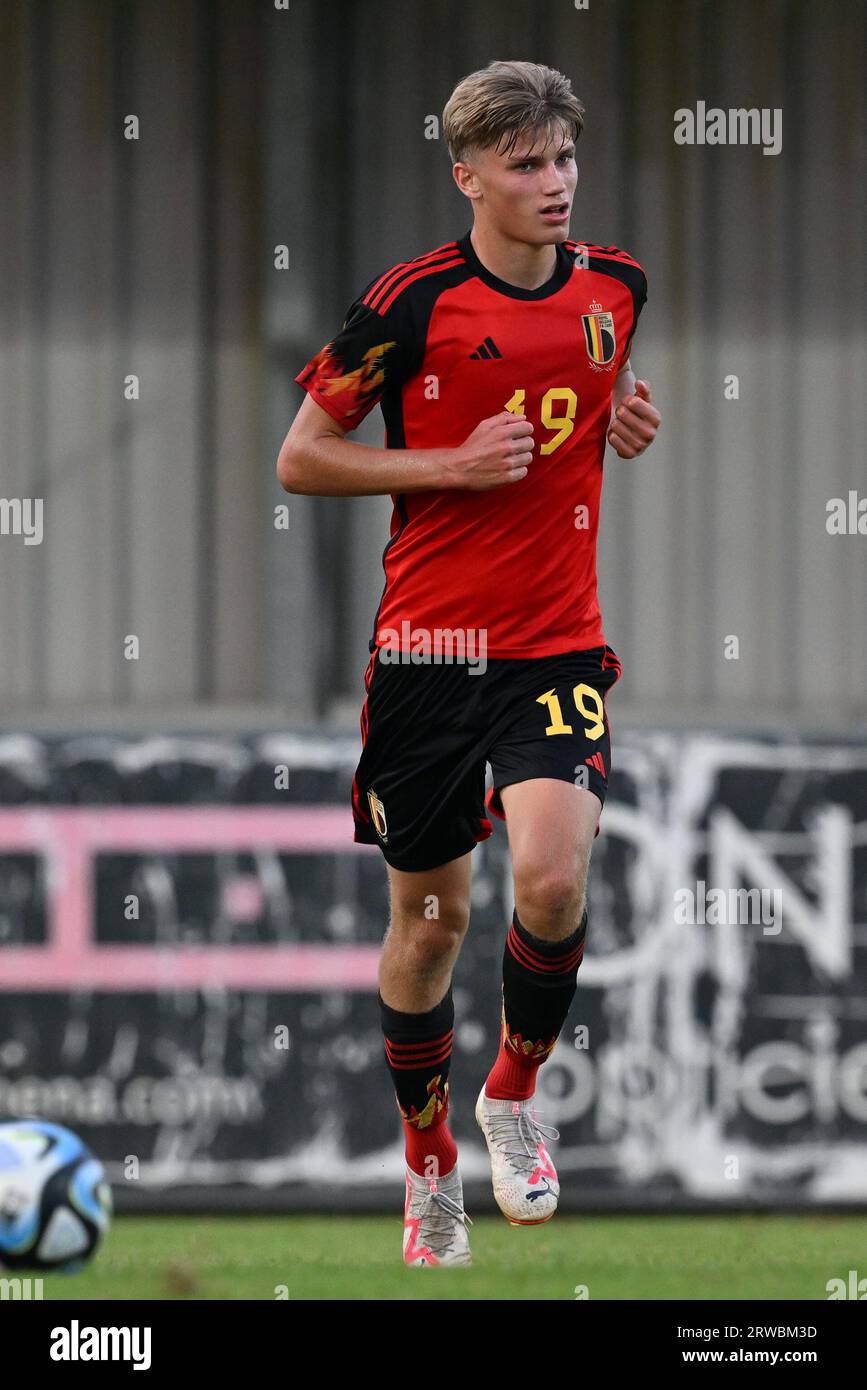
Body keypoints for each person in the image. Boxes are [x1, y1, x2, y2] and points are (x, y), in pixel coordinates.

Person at [278, 59, 661, 1267]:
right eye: (526, 166)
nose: (555, 185)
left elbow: (588, 395)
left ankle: (510, 1095)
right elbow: (302, 457)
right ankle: (431, 1155)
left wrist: (624, 421)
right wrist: (444, 466)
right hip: (431, 655)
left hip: (554, 639)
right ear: (469, 177)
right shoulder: (410, 301)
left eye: (563, 159)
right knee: (432, 924)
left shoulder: (617, 287)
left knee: (551, 876)